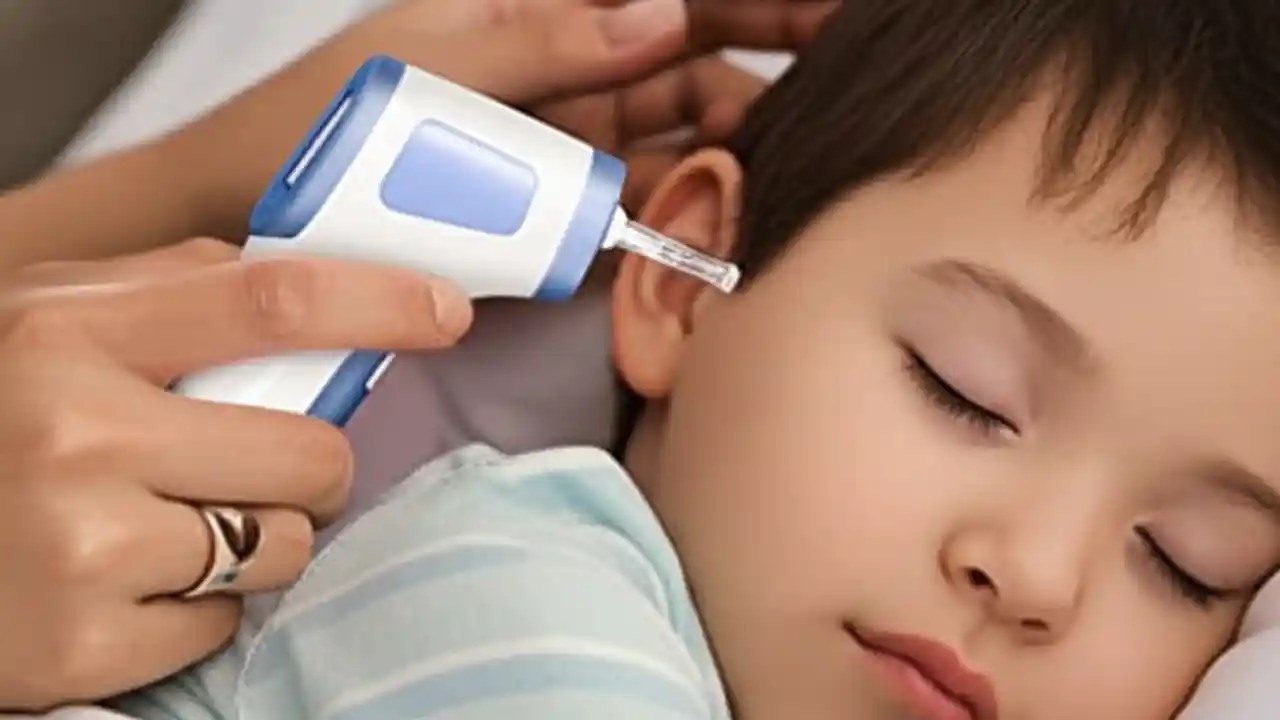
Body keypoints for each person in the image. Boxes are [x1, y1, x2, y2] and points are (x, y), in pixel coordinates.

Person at [105, 0, 1280, 718]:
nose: (1032, 576)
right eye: (961, 391)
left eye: (1185, 563)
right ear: (678, 281)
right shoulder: (514, 593)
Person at [0, 0, 837, 712]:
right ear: (678, 288)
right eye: (958, 390)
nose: (974, 561)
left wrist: (170, 187)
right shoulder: (538, 611)